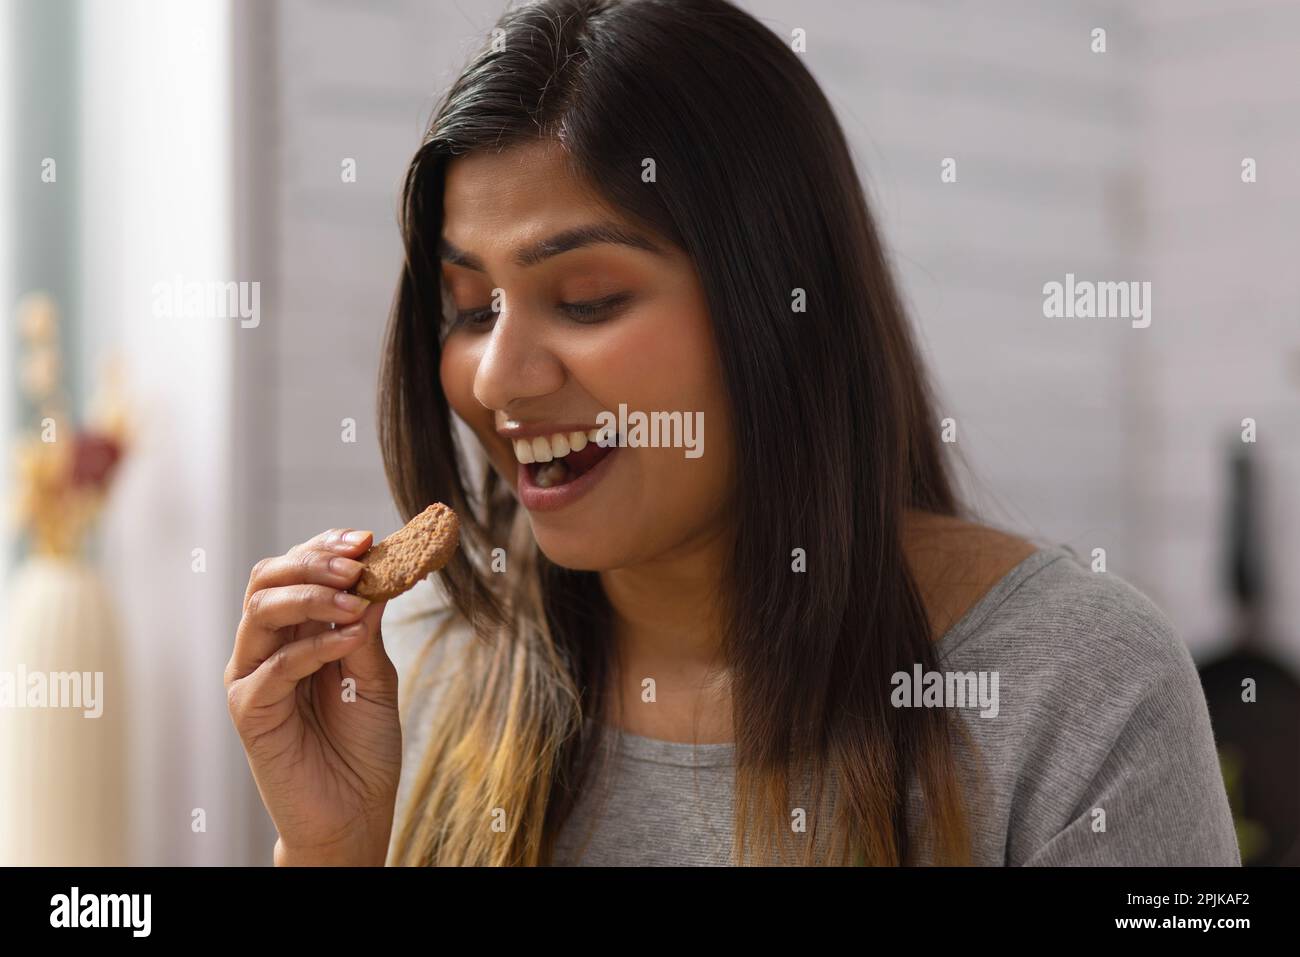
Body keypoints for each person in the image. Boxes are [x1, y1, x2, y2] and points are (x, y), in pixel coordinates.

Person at [226, 0, 1240, 867]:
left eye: (585, 298)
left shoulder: (1078, 692)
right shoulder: (420, 665)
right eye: (470, 307)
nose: (497, 378)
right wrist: (330, 853)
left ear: (777, 309)